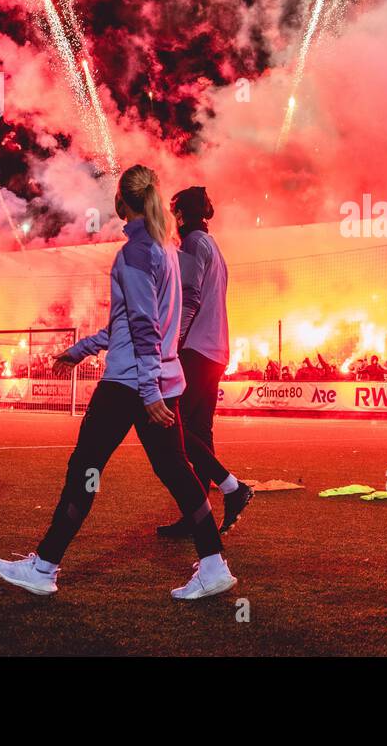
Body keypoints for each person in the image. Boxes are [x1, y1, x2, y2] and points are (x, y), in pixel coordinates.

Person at [0, 166, 235, 600]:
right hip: (155, 379)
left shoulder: (138, 253)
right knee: (175, 471)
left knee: (85, 470)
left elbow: (142, 326)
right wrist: (81, 348)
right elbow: (129, 324)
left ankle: (45, 567)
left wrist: (147, 390)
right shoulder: (162, 248)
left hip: (130, 384)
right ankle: (214, 564)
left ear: (122, 202)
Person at [155, 187, 253, 540]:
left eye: (172, 211)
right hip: (214, 350)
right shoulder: (213, 246)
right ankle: (199, 516)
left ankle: (231, 487)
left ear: (180, 214)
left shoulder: (193, 243)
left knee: (174, 430)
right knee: (199, 431)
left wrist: (174, 342)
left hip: (195, 349)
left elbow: (191, 295)